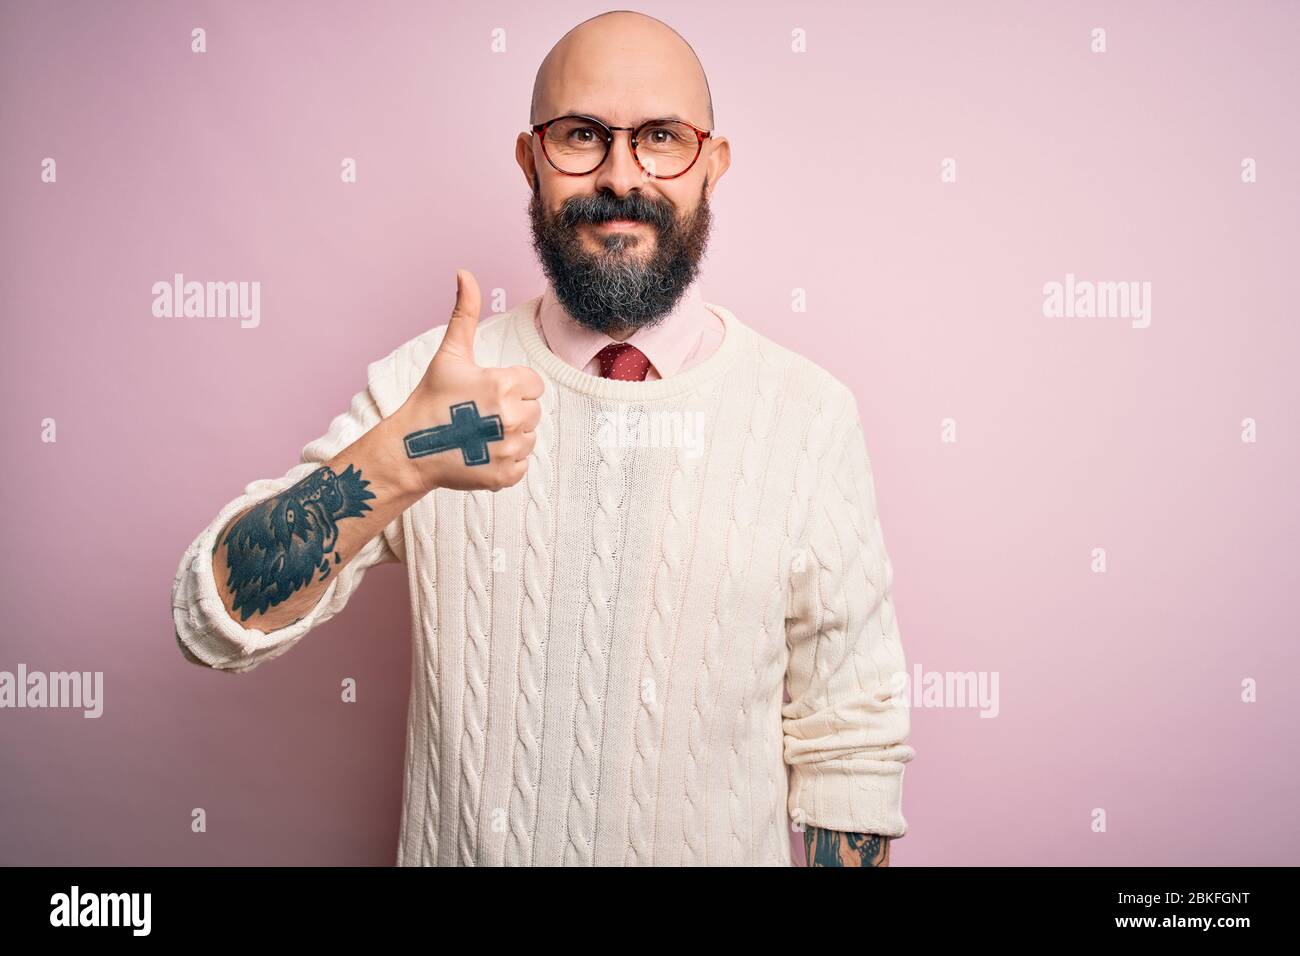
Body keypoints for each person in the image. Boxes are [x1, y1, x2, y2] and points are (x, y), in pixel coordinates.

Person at [171, 9, 915, 867]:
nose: (620, 176)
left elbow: (850, 742)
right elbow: (212, 618)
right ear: (530, 160)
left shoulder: (808, 415)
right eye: (582, 135)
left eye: (661, 138)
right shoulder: (433, 386)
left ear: (713, 165)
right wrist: (400, 456)